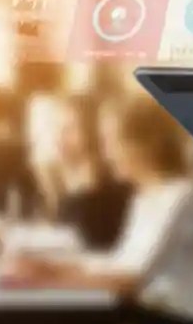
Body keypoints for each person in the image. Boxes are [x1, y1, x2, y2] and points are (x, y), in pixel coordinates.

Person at [5, 95, 193, 324]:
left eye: (112, 142)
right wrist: (50, 268)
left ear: (145, 145)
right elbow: (119, 262)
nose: (107, 154)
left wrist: (50, 277)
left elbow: (129, 279)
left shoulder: (182, 198)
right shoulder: (146, 198)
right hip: (149, 323)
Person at [27, 92, 132, 249]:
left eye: (69, 129)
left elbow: (81, 247)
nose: (59, 136)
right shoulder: (63, 184)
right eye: (57, 128)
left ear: (92, 132)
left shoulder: (106, 193)